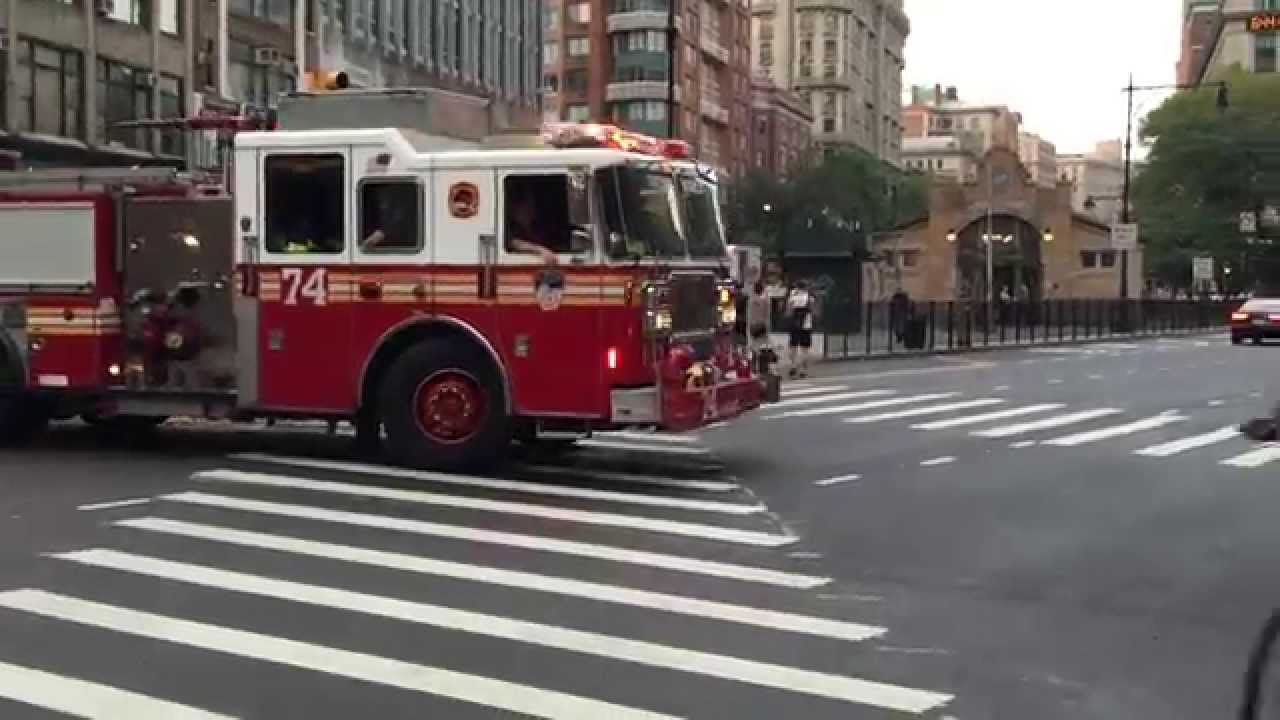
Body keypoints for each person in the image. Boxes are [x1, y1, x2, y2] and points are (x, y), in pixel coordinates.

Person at [507, 192, 558, 266]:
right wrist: (540, 250)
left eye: (531, 205)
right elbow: (513, 243)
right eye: (526, 206)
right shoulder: (512, 228)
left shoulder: (538, 228)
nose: (530, 209)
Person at [786, 280, 815, 378]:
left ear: (797, 287)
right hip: (806, 325)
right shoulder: (809, 298)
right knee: (805, 349)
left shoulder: (792, 297)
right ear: (806, 287)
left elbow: (788, 311)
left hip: (794, 325)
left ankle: (793, 365)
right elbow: (814, 311)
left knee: (793, 346)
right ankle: (803, 370)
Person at [747, 280, 773, 373]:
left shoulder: (751, 300)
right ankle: (763, 367)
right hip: (762, 324)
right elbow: (767, 315)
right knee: (763, 346)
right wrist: (768, 329)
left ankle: (753, 367)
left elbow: (749, 314)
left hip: (753, 324)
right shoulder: (765, 301)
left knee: (754, 346)